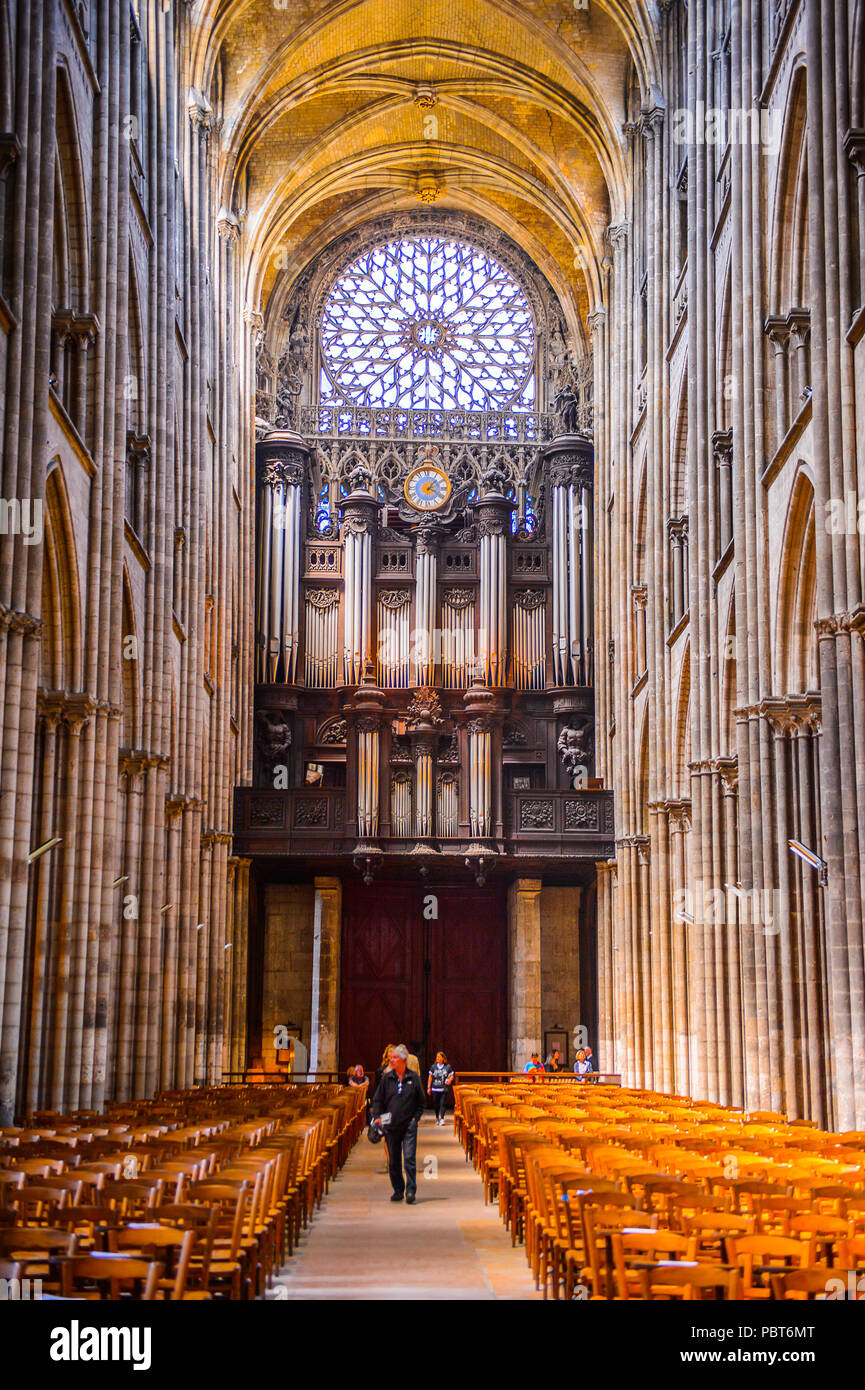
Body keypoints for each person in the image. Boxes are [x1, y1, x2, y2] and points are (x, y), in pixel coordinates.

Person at [371, 1044, 426, 1203]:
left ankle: (410, 1191)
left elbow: (421, 1102)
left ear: (403, 1059)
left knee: (409, 1159)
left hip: (409, 1126)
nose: (392, 1060)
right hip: (391, 1127)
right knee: (394, 1161)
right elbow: (378, 1100)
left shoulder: (413, 1078)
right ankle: (398, 1189)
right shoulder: (387, 1078)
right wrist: (377, 1117)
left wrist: (415, 1119)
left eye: (395, 1057)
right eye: (391, 1057)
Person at [427, 1051, 454, 1125]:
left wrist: (450, 1080)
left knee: (443, 1103)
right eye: (437, 1057)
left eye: (439, 1057)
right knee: (436, 1104)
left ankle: (442, 1118)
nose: (437, 1058)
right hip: (435, 1088)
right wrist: (429, 1087)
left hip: (443, 1088)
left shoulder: (447, 1066)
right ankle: (437, 1117)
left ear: (443, 1058)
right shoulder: (433, 1067)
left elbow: (451, 1075)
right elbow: (430, 1077)